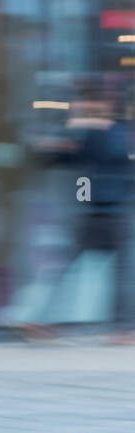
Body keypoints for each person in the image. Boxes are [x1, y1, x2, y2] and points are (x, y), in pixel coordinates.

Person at [26, 75, 135, 343]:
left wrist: (55, 150)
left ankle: (122, 328)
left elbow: (83, 154)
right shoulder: (107, 130)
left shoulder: (110, 131)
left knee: (116, 274)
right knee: (99, 272)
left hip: (112, 211)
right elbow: (76, 156)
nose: (78, 107)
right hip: (101, 211)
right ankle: (50, 322)